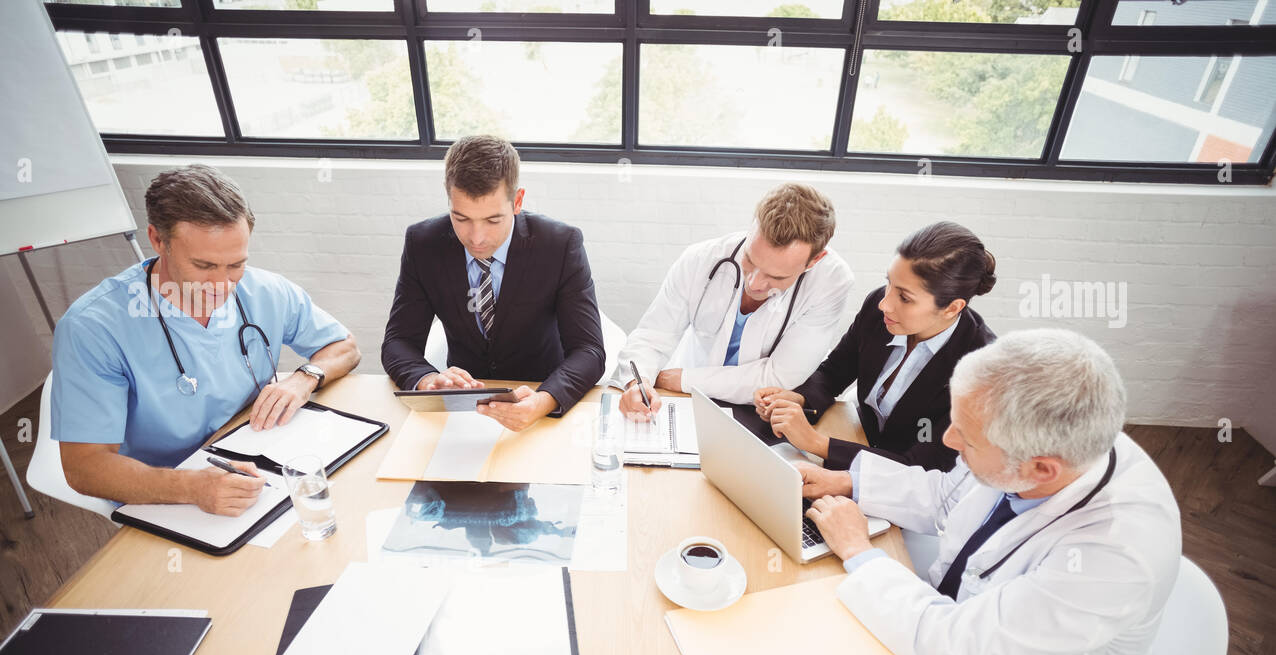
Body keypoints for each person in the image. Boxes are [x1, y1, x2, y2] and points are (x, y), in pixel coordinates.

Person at [797, 330, 1182, 655]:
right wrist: (845, 481)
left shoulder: (1116, 555)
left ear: (1042, 470)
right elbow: (947, 497)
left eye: (966, 438)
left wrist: (860, 552)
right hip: (951, 631)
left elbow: (953, 650)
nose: (948, 438)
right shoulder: (1035, 437)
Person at [52, 164, 361, 516]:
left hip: (259, 465)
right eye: (203, 266)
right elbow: (85, 467)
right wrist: (191, 486)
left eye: (235, 265)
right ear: (157, 240)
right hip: (165, 491)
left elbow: (345, 347)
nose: (222, 285)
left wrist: (304, 378)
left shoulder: (265, 291)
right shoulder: (93, 328)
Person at [381, 135, 605, 432]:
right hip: (462, 409)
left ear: (518, 201)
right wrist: (427, 379)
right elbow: (398, 342)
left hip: (539, 400)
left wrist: (545, 399)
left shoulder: (560, 244)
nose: (476, 238)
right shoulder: (423, 244)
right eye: (461, 218)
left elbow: (589, 350)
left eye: (492, 220)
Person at [755, 221, 996, 472]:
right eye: (889, 282)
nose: (885, 304)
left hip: (903, 486)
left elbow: (921, 466)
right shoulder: (879, 309)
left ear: (952, 308)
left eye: (904, 297)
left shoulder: (982, 372)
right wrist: (800, 399)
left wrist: (817, 443)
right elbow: (835, 371)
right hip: (857, 439)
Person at [609, 183, 854, 415]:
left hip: (760, 410)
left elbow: (778, 377)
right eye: (750, 260)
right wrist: (637, 383)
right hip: (687, 399)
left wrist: (682, 378)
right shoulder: (700, 259)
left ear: (814, 260)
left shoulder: (831, 282)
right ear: (752, 227)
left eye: (775, 276)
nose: (755, 283)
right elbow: (653, 336)